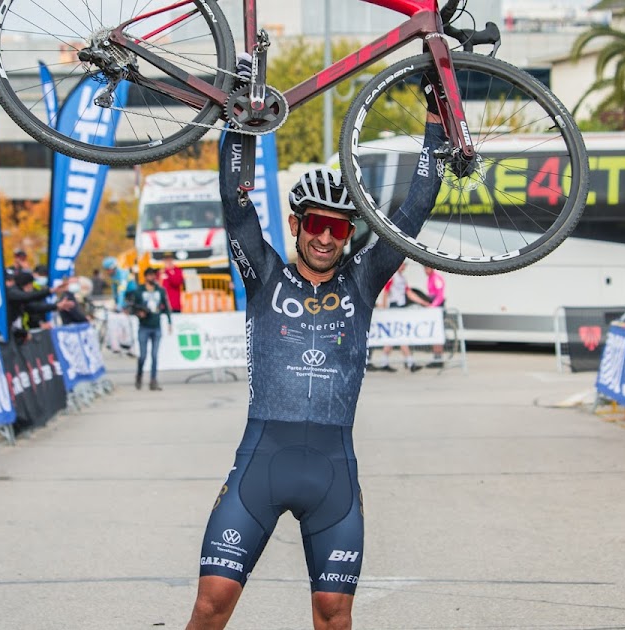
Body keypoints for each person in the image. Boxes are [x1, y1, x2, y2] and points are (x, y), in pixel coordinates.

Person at [183, 107, 444, 630]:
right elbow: (235, 205)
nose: (327, 238)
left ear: (350, 234)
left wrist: (436, 126)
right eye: (317, 225)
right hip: (261, 464)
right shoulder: (265, 276)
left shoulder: (363, 282)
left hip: (333, 472)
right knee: (212, 605)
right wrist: (238, 118)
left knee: (333, 614)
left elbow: (414, 211)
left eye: (339, 228)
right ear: (297, 224)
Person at [369, 261, 421, 373]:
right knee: (400, 335)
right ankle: (410, 362)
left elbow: (409, 293)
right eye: (403, 264)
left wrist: (423, 302)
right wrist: (384, 306)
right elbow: (386, 291)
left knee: (393, 336)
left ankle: (385, 362)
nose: (404, 267)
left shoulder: (402, 278)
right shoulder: (393, 276)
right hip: (394, 307)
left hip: (400, 308)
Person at [130, 267, 171, 391]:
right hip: (144, 326)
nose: (153, 278)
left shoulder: (160, 290)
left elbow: (166, 306)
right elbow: (133, 307)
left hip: (156, 326)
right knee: (143, 355)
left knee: (154, 355)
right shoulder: (139, 291)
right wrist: (139, 313)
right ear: (146, 277)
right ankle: (139, 375)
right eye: (150, 275)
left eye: (154, 275)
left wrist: (169, 321)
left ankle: (153, 380)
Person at [408, 264, 447, 368]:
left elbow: (440, 295)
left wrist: (432, 307)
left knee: (437, 333)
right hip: (434, 307)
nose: (425, 271)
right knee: (435, 333)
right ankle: (436, 358)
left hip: (437, 307)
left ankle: (438, 359)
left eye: (427, 268)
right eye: (424, 269)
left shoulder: (436, 278)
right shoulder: (430, 278)